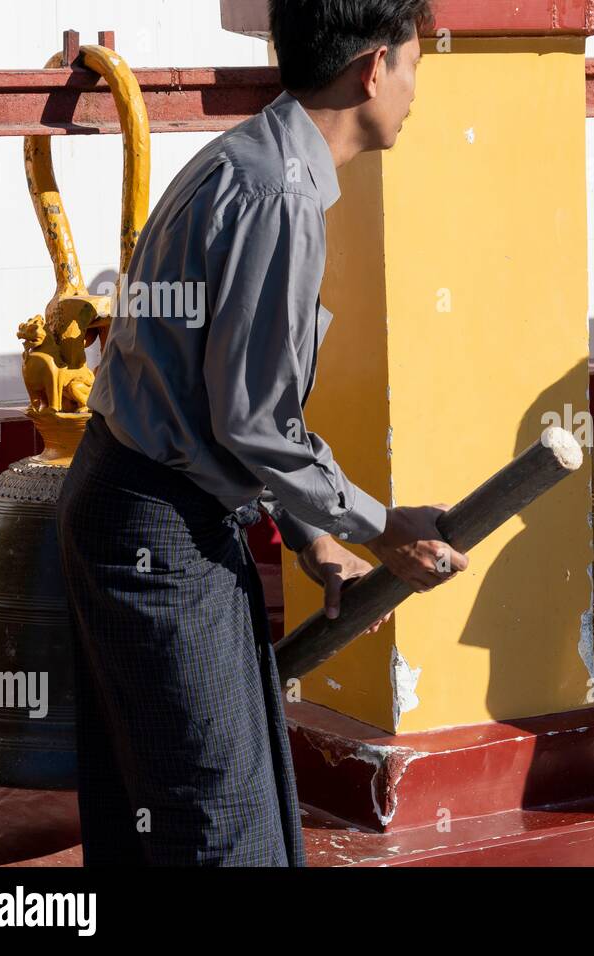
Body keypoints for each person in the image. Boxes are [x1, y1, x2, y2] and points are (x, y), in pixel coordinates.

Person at [55, 0, 463, 866]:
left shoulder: (248, 160)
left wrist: (312, 532)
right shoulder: (278, 194)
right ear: (370, 69)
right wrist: (381, 526)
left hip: (139, 507)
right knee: (220, 824)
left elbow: (232, 401)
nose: (415, 92)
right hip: (157, 531)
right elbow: (252, 419)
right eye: (415, 67)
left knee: (179, 810)